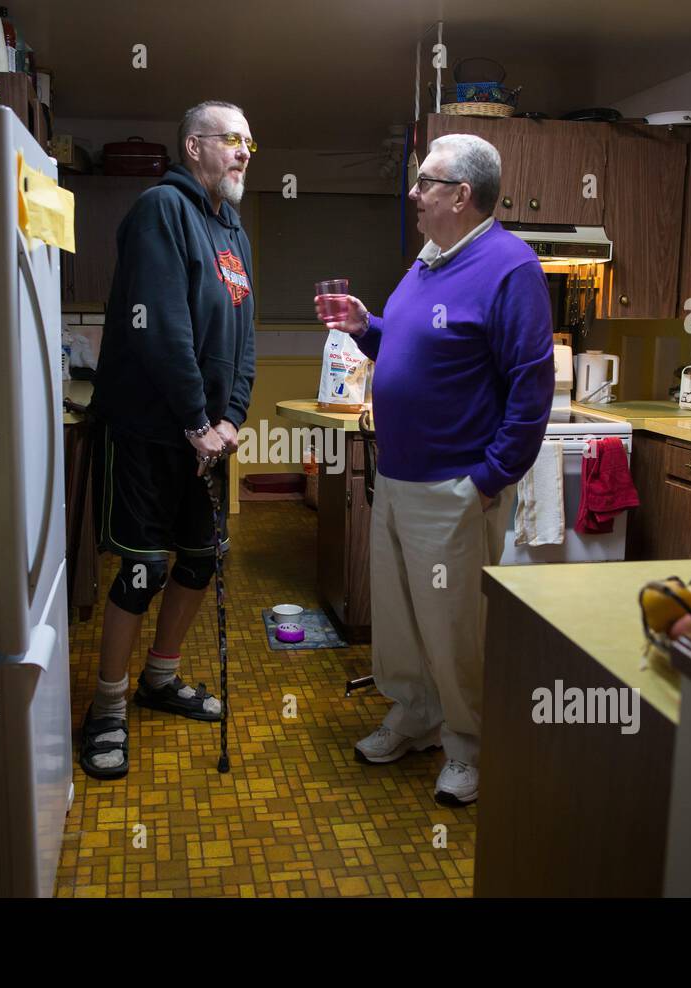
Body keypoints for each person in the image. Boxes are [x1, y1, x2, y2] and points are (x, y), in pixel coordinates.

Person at [315, 133, 553, 805]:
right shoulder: (428, 261)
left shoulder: (512, 267)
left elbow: (532, 390)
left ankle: (467, 745)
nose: (413, 194)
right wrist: (368, 326)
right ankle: (416, 714)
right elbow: (416, 345)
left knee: (452, 626)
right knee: (401, 618)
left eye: (426, 183)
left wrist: (488, 478)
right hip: (396, 476)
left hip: (455, 486)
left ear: (462, 195)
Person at [81, 100, 256, 779]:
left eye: (250, 143)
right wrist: (194, 418)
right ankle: (106, 706)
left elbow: (242, 339)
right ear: (193, 147)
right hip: (151, 431)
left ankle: (160, 678)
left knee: (198, 561)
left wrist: (232, 417)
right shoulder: (163, 209)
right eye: (231, 140)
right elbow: (160, 325)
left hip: (209, 438)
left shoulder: (232, 230)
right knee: (141, 568)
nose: (243, 153)